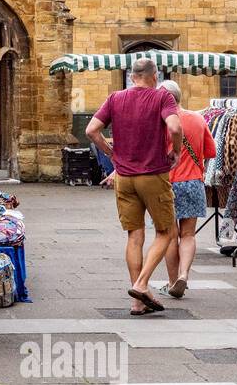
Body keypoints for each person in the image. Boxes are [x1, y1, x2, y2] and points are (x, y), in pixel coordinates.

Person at [85, 57, 184, 316]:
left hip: (124, 177)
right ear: (155, 77)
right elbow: (174, 125)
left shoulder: (115, 98)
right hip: (153, 174)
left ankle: (137, 302)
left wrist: (111, 154)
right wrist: (177, 151)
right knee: (167, 233)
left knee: (134, 236)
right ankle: (141, 284)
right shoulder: (162, 98)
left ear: (132, 77)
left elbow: (92, 130)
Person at [154, 80, 216, 300]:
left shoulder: (160, 123)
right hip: (193, 182)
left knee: (169, 236)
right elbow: (211, 151)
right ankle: (183, 275)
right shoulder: (198, 119)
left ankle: (172, 283)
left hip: (167, 183)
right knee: (188, 234)